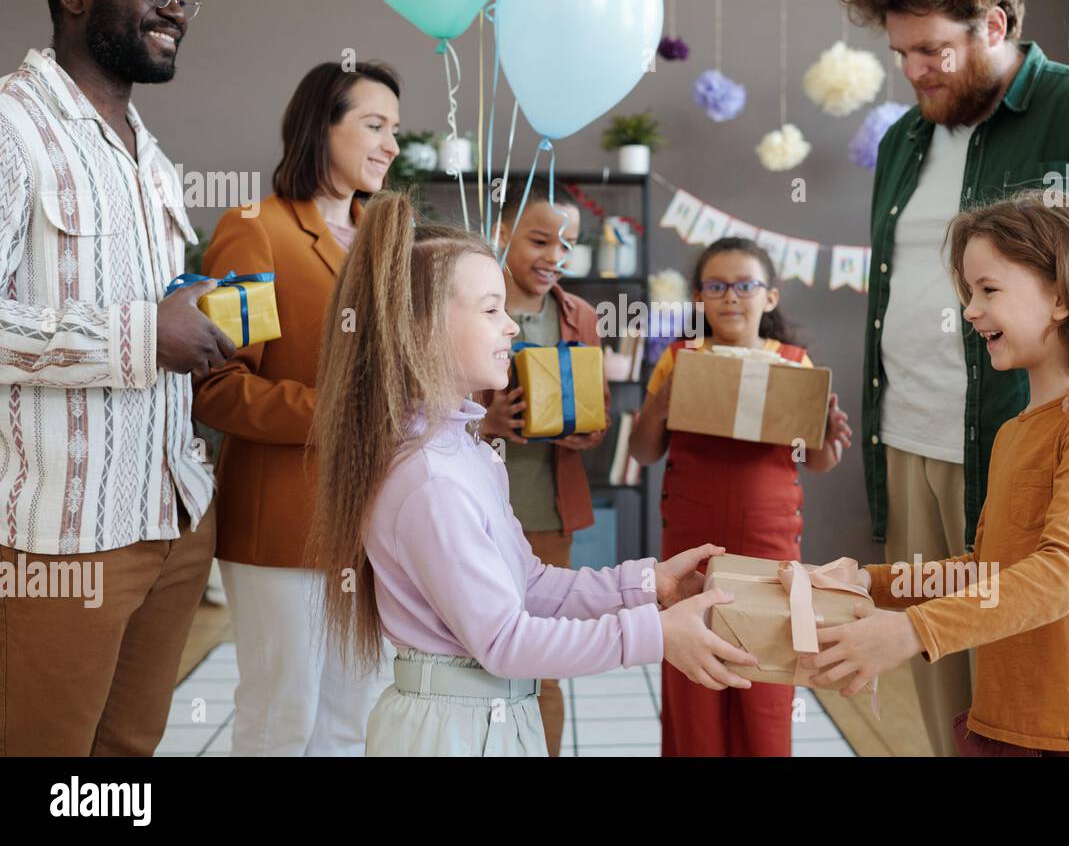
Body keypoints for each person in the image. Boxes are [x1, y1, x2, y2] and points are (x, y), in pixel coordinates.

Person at [836, 0, 1069, 755]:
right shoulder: (904, 139)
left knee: (1035, 655)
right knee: (948, 690)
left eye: (930, 50)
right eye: (901, 54)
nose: (913, 71)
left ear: (992, 25)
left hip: (1027, 430)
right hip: (912, 435)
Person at [307, 191, 759, 756]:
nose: (512, 329)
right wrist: (655, 635)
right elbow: (505, 640)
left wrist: (649, 585)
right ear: (419, 326)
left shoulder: (464, 453)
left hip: (488, 719)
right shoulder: (431, 480)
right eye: (491, 309)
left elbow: (534, 587)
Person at [806, 191, 1069, 757]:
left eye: (989, 290)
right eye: (970, 292)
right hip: (1004, 722)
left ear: (1063, 298)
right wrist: (869, 583)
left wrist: (909, 632)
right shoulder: (1016, 430)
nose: (970, 310)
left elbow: (1063, 575)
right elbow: (990, 570)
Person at [0, 0, 232, 755]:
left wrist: (194, 315)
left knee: (125, 758)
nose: (177, 11)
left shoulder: (152, 158)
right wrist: (141, 335)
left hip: (172, 519)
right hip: (65, 539)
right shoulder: (12, 129)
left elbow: (152, 310)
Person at [192, 61, 402, 755]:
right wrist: (339, 414)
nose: (390, 145)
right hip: (282, 525)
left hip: (368, 525)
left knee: (352, 718)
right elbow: (218, 386)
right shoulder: (257, 229)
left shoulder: (383, 242)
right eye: (374, 125)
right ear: (322, 127)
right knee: (285, 716)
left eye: (394, 131)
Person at [630, 237, 853, 757]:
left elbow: (816, 460)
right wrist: (660, 405)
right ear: (699, 298)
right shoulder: (679, 358)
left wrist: (830, 436)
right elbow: (644, 451)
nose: (731, 297)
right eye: (716, 286)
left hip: (768, 544)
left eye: (744, 285)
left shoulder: (795, 364)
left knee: (765, 674)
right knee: (693, 672)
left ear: (769, 297)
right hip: (691, 546)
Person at [477, 188, 608, 756]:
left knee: (544, 666)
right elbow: (425, 404)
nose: (554, 254)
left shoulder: (576, 314)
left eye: (567, 244)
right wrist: (486, 421)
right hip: (474, 512)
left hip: (548, 515)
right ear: (502, 232)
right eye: (539, 239)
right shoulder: (471, 300)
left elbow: (597, 415)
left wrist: (583, 426)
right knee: (472, 658)